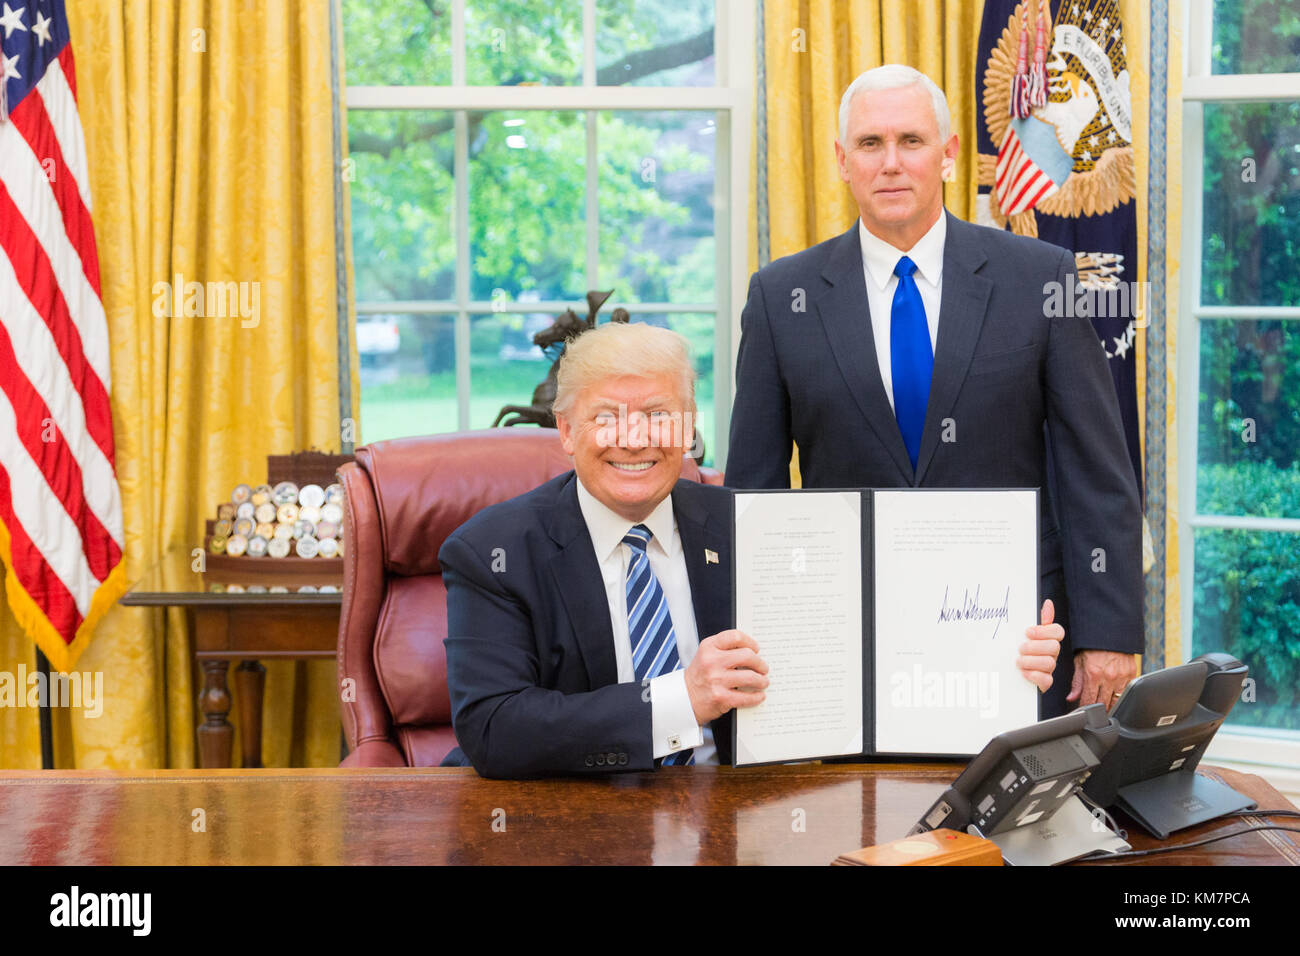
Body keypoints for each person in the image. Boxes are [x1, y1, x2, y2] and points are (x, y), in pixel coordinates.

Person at [441, 322, 1065, 777]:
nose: (635, 439)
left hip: (746, 810)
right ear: (567, 431)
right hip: (573, 821)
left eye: (660, 414)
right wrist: (684, 699)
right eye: (607, 417)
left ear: (688, 431)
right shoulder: (493, 552)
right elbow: (496, 731)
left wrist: (994, 661)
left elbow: (869, 657)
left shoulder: (761, 527)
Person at [728, 64, 1142, 720]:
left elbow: (1098, 469)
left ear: (949, 155)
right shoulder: (782, 298)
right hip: (848, 641)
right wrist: (765, 642)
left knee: (1012, 821)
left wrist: (1110, 634)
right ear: (842, 161)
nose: (890, 163)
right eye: (869, 144)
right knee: (865, 820)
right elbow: (754, 495)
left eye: (911, 141)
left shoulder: (1039, 277)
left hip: (1020, 642)